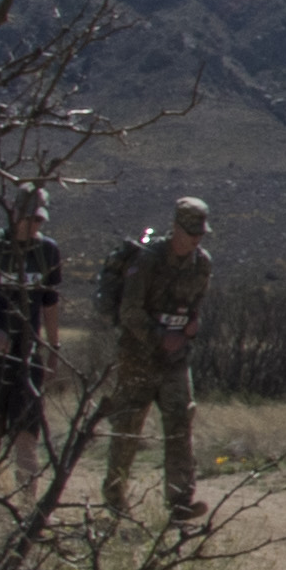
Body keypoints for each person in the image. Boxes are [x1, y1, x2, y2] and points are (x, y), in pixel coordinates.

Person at [104, 196, 214, 518]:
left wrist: (192, 327)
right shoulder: (149, 260)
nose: (195, 239)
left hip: (175, 358)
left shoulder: (202, 263)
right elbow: (129, 311)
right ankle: (114, 497)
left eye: (200, 233)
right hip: (138, 356)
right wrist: (157, 336)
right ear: (175, 227)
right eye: (190, 231)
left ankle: (180, 500)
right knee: (128, 427)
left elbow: (195, 309)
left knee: (180, 422)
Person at [0, 186, 66, 484]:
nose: (34, 226)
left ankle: (26, 502)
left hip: (27, 351)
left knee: (27, 428)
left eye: (39, 221)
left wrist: (53, 346)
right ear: (14, 212)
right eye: (29, 218)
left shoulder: (47, 251)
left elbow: (49, 302)